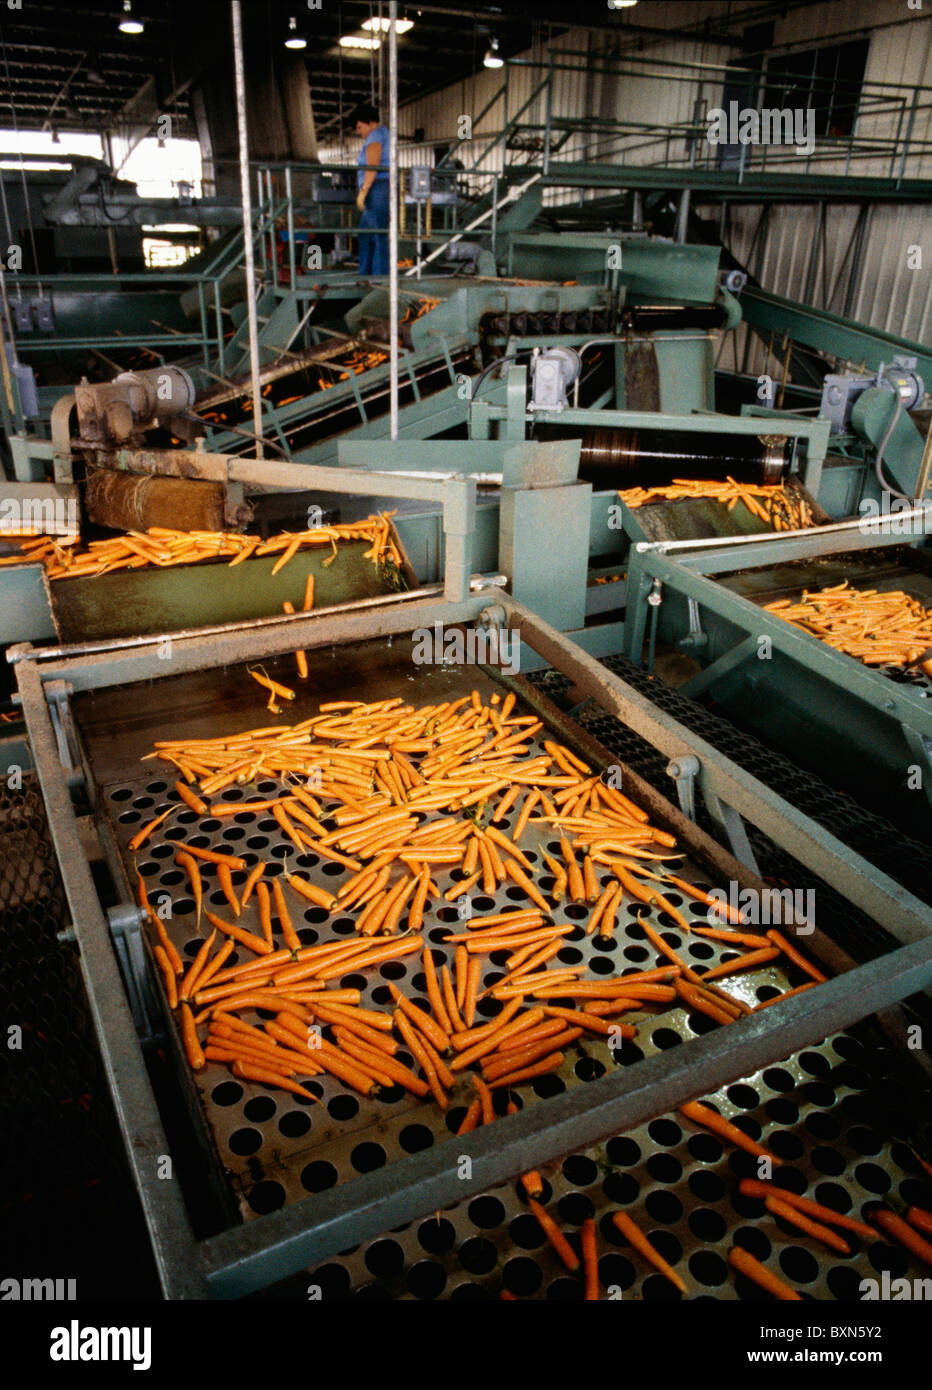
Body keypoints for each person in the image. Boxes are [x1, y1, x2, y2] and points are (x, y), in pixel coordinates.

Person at [352, 103, 390, 277]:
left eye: (359, 127)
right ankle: (366, 274)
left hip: (377, 189)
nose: (359, 132)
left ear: (368, 122)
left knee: (379, 235)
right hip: (376, 190)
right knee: (365, 235)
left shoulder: (375, 136)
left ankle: (379, 279)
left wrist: (363, 191)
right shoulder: (382, 134)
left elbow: (372, 166)